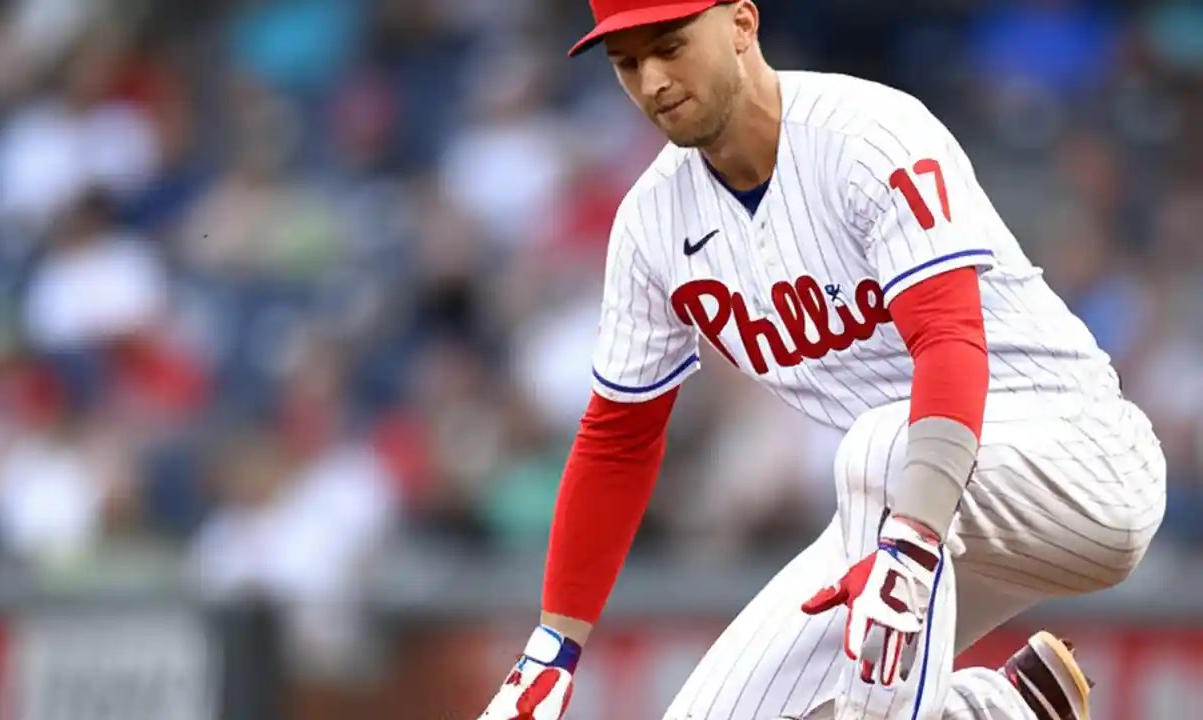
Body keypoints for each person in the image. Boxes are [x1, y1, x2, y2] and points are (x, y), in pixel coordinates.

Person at [478, 1, 1166, 718]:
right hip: (905, 510)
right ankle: (997, 711)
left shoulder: (866, 134)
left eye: (671, 46)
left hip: (1080, 465)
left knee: (879, 450)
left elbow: (948, 341)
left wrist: (911, 543)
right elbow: (620, 436)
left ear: (743, 24)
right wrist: (552, 647)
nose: (653, 80)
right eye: (628, 63)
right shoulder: (653, 222)